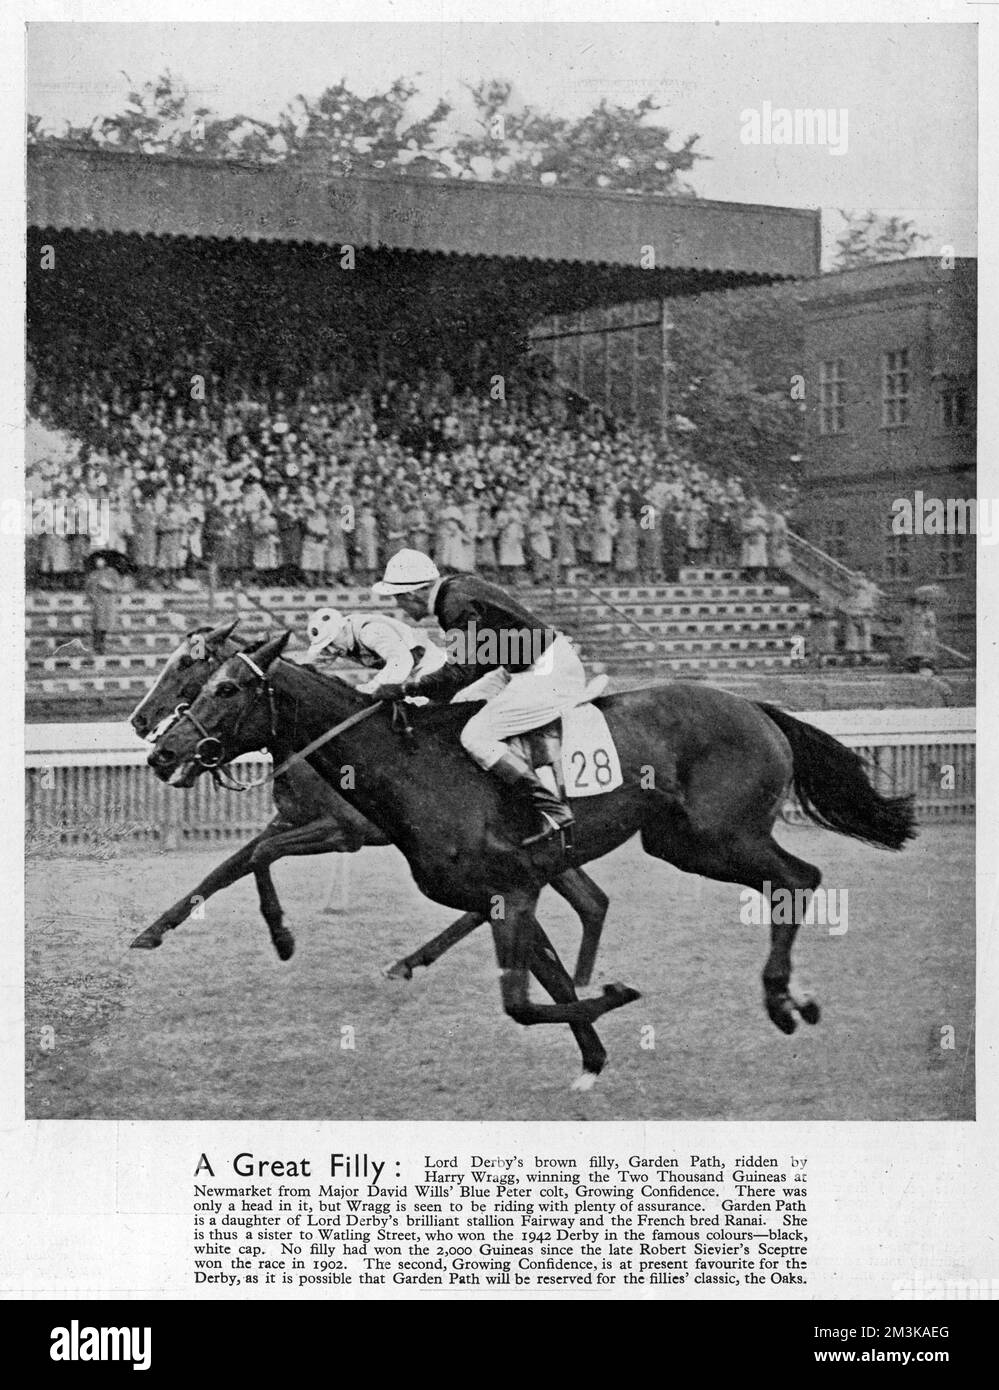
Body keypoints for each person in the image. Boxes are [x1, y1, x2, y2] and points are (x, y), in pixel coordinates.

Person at [370, 548, 581, 848]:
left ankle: (553, 812)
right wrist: (430, 695)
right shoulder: (455, 591)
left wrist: (408, 687)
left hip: (547, 671)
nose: (400, 606)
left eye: (399, 598)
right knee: (458, 708)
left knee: (476, 736)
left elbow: (460, 670)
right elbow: (473, 665)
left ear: (416, 593)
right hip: (519, 667)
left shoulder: (454, 603)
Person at [303, 604, 446, 696]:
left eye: (331, 642)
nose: (331, 651)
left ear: (344, 629)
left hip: (430, 668)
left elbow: (402, 661)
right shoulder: (340, 640)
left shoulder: (370, 632)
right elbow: (311, 667)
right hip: (407, 673)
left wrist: (372, 686)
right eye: (325, 646)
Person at [84, 555, 121, 655]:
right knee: (97, 625)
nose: (99, 562)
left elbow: (116, 586)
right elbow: (88, 587)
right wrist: (90, 597)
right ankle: (96, 645)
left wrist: (107, 585)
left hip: (107, 602)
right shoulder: (93, 574)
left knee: (105, 625)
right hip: (97, 602)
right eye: (97, 561)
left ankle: (102, 645)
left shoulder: (112, 572)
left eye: (101, 560)